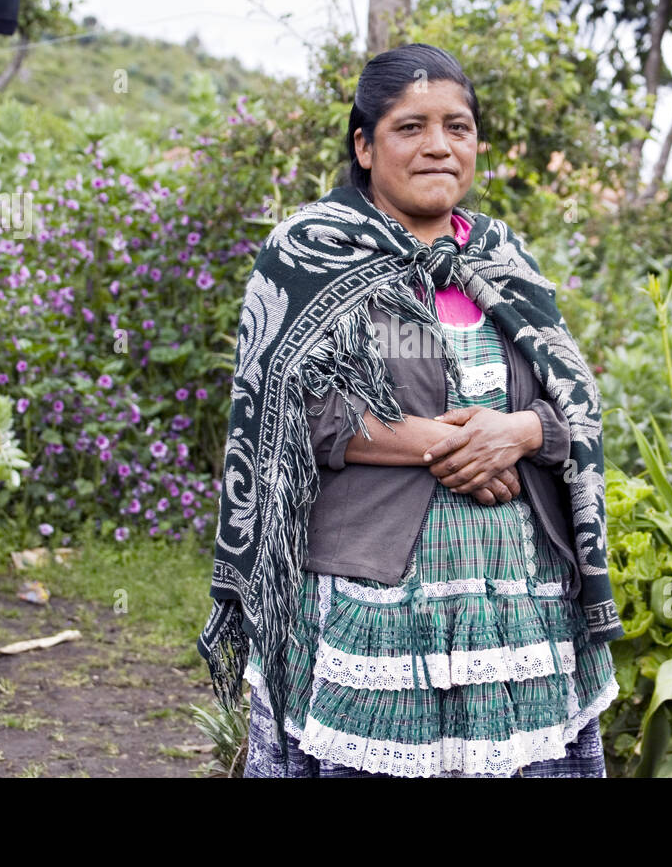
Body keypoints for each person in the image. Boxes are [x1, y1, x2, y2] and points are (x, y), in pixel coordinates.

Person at [196, 43, 622, 777]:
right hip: (375, 600)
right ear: (364, 145)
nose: (438, 146)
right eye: (410, 127)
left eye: (457, 127)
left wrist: (516, 432)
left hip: (517, 604)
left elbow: (572, 406)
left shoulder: (504, 257)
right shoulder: (310, 251)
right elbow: (289, 411)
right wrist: (444, 445)